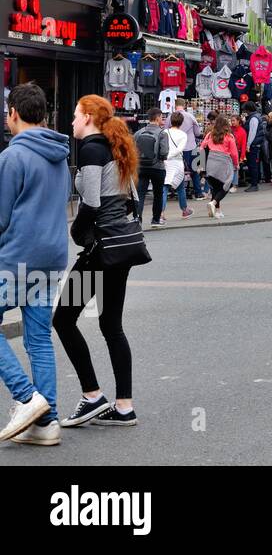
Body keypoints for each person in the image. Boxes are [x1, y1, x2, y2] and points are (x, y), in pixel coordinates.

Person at [56, 95, 144, 429]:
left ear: (90, 117)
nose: (72, 121)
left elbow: (90, 204)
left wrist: (77, 235)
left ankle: (92, 397)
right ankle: (124, 406)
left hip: (100, 252)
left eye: (76, 116)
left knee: (63, 320)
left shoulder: (92, 150)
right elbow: (133, 200)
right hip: (120, 249)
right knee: (111, 325)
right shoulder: (116, 146)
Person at [0, 83, 70, 445]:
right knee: (39, 339)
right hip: (53, 256)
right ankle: (48, 424)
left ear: (13, 113)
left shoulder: (13, 157)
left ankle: (28, 398)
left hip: (17, 257)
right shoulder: (59, 153)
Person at [200, 114, 240, 219]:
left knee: (215, 188)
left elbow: (201, 147)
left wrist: (201, 162)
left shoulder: (210, 134)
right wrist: (236, 164)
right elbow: (234, 153)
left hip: (211, 162)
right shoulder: (229, 136)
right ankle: (213, 203)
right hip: (224, 163)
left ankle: (217, 211)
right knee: (226, 186)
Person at [133, 109, 168, 229]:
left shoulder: (138, 133)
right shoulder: (162, 133)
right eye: (162, 117)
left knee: (140, 194)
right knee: (158, 194)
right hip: (157, 167)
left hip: (141, 167)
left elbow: (133, 150)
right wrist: (162, 158)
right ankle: (155, 220)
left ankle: (138, 219)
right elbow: (164, 152)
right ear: (158, 118)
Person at [161, 111, 192, 220]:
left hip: (165, 162)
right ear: (181, 122)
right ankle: (184, 210)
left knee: (164, 187)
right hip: (177, 162)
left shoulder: (164, 132)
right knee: (180, 187)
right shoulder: (183, 134)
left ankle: (161, 212)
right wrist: (170, 155)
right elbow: (180, 149)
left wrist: (165, 156)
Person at [175, 101, 205, 200]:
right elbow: (197, 132)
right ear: (184, 105)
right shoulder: (190, 116)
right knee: (194, 171)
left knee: (179, 171)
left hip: (177, 148)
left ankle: (180, 193)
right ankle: (198, 193)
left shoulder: (171, 117)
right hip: (191, 145)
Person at [243, 104, 266, 193]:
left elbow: (252, 133)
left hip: (253, 145)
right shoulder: (255, 117)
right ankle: (254, 183)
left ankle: (254, 184)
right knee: (253, 165)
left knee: (253, 165)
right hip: (255, 144)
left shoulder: (253, 119)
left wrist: (248, 145)